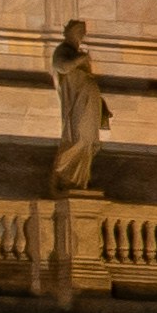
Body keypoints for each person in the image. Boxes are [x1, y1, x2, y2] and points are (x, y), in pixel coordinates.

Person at [48, 19, 107, 193]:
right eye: (77, 31)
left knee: (88, 140)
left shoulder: (75, 51)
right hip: (77, 101)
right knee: (79, 137)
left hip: (89, 100)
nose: (80, 35)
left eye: (82, 32)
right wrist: (80, 58)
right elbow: (62, 66)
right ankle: (63, 175)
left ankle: (79, 180)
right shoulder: (63, 50)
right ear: (68, 32)